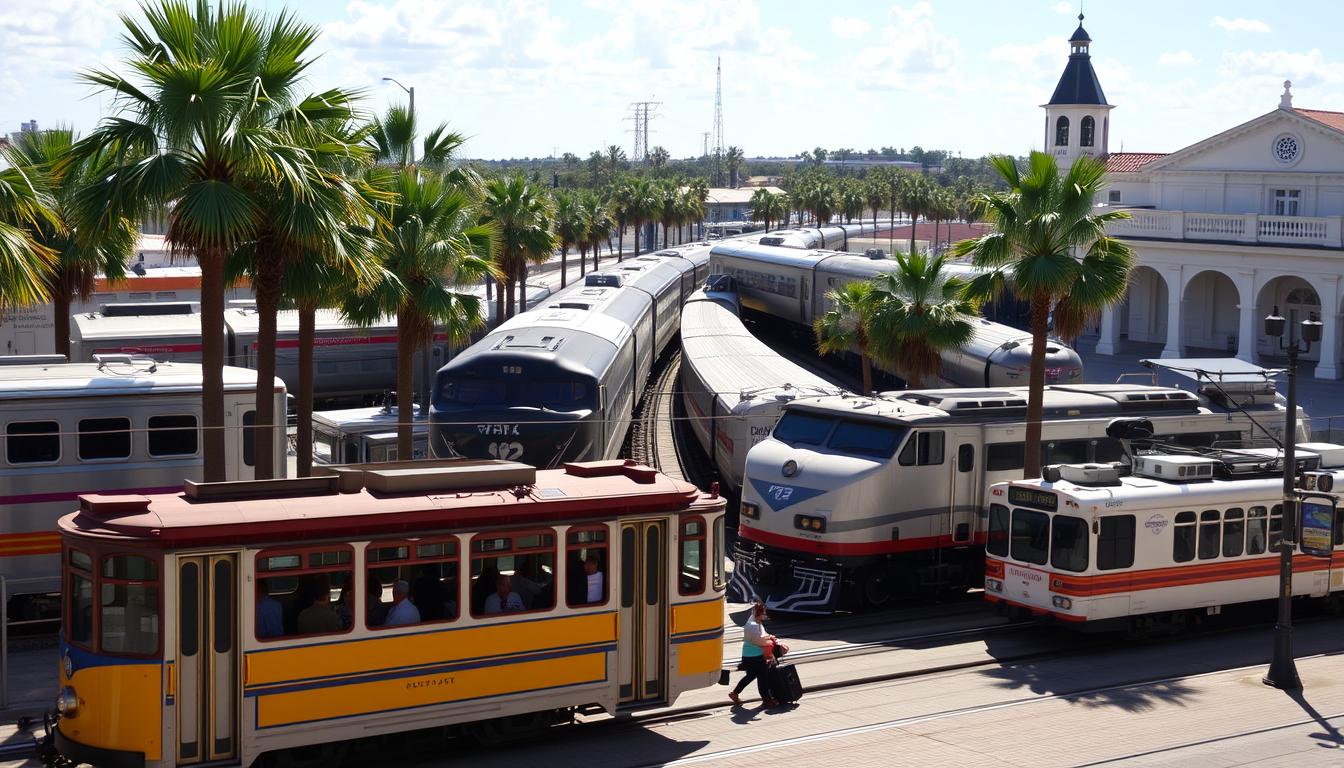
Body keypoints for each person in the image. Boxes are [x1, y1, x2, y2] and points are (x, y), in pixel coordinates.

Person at [729, 601, 778, 707]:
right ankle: (767, 700)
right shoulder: (752, 625)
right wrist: (769, 642)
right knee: (763, 678)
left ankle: (735, 693)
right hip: (755, 657)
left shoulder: (755, 622)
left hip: (749, 656)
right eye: (764, 613)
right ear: (758, 614)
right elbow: (757, 641)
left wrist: (769, 637)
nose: (765, 616)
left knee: (750, 676)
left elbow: (761, 636)